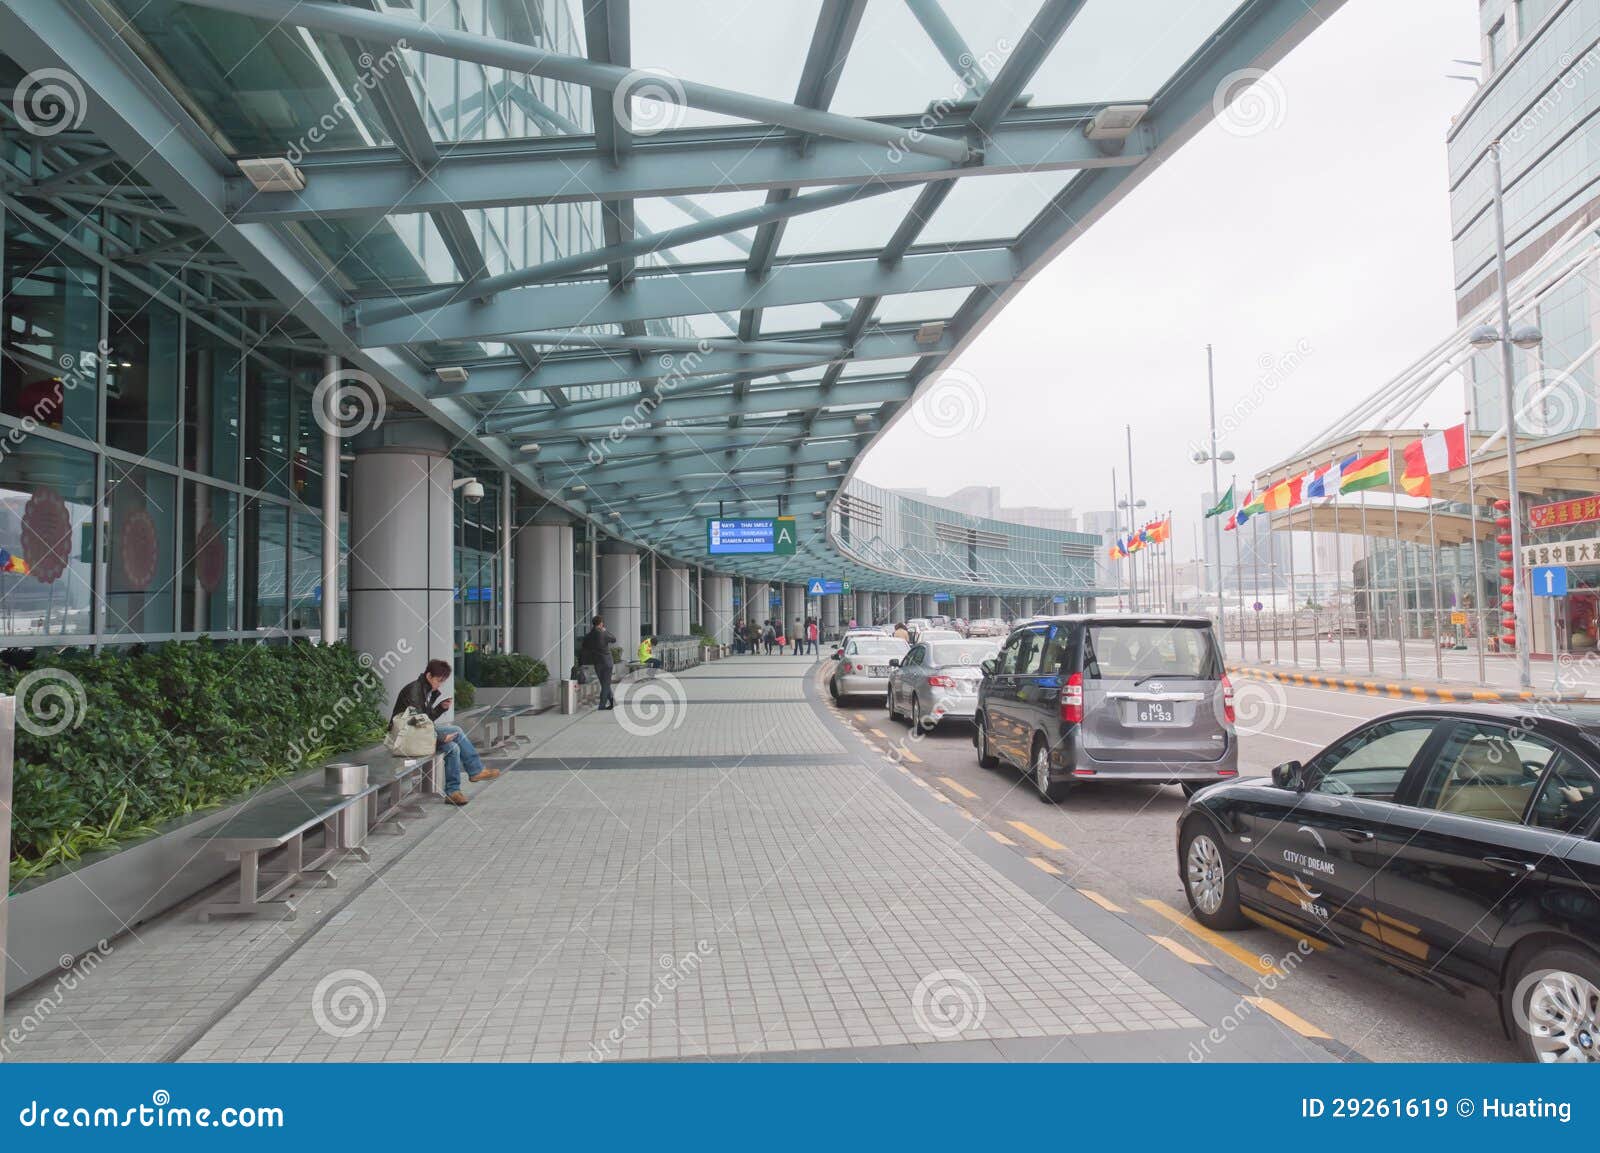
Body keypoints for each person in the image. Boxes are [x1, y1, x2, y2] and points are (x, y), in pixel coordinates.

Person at [392, 658, 498, 807]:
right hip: (406, 738)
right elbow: (416, 722)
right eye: (439, 680)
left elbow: (426, 720)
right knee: (457, 730)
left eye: (442, 681)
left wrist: (440, 708)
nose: (440, 684)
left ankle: (453, 793)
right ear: (429, 676)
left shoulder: (426, 690)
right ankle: (475, 771)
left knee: (453, 748)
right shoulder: (414, 691)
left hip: (417, 736)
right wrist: (440, 737)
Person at [582, 614, 617, 710]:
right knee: (606, 684)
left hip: (597, 662)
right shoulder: (603, 633)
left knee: (604, 683)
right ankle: (602, 705)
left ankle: (612, 702)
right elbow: (614, 639)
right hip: (607, 662)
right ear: (601, 623)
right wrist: (606, 631)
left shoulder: (589, 635)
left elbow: (584, 645)